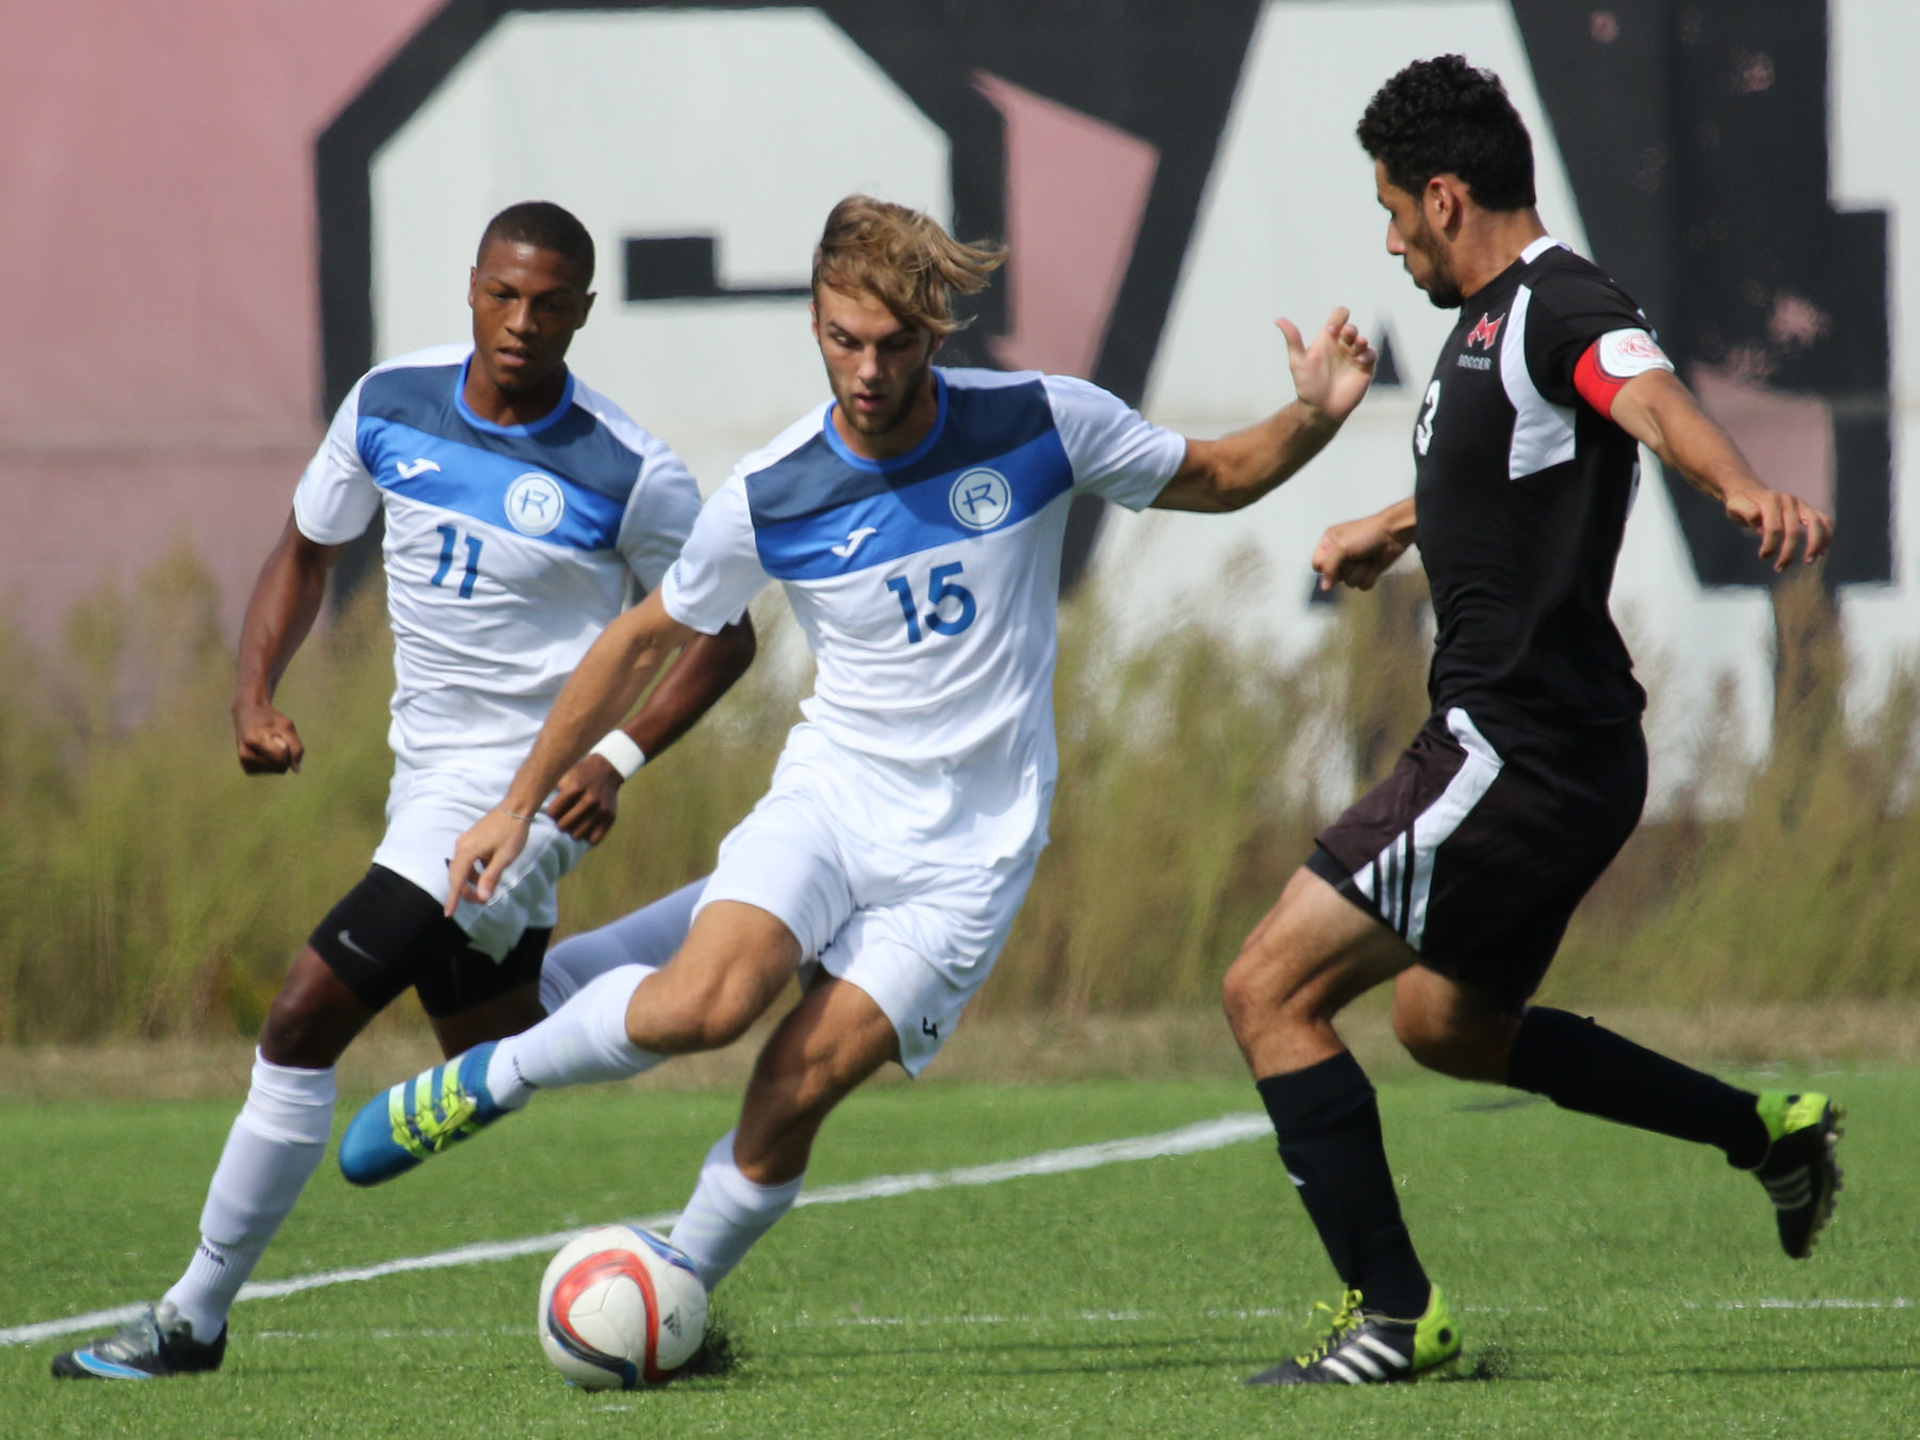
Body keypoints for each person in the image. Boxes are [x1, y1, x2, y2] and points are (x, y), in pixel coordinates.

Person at [330, 195, 1377, 1308]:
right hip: (832, 800)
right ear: (817, 328)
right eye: (843, 340)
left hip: (971, 853)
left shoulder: (1038, 423)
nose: (867, 370)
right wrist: (518, 803)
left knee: (795, 1084)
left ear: (935, 333)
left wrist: (1311, 417)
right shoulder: (774, 490)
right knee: (709, 1003)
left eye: (893, 344)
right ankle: (494, 1074)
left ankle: (673, 1291)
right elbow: (641, 639)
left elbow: (1218, 475)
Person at [52, 202, 755, 1381]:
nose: (521, 322)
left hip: (514, 807)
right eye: (501, 295)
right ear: (471, 287)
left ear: (584, 311)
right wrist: (252, 693)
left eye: (548, 304)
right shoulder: (389, 405)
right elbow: (305, 548)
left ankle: (190, 1320)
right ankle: (731, 909)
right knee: (501, 1036)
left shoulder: (631, 471)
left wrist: (611, 756)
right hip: (422, 786)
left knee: (301, 1015)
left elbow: (724, 636)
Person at [1222, 56, 1840, 1387]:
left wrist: (1740, 487)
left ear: (1446, 197)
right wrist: (1389, 530)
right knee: (1448, 1027)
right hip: (1564, 748)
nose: (1388, 242)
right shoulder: (1496, 323)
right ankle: (1767, 1134)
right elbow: (1517, 466)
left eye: (1393, 213)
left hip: (1514, 746)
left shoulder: (1561, 303)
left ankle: (1393, 1316)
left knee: (1266, 990)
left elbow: (1650, 396)